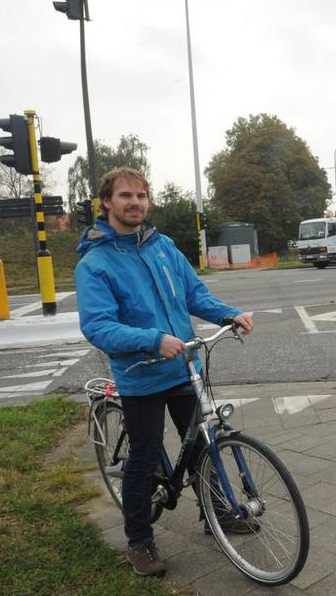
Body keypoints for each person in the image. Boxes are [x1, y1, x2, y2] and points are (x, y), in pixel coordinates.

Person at [75, 167, 254, 577]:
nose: (135, 202)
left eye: (141, 195)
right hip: (141, 373)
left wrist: (229, 314)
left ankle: (217, 513)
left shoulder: (163, 246)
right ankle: (139, 540)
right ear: (107, 202)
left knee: (202, 445)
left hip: (184, 366)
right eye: (125, 195)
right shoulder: (95, 263)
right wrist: (152, 339)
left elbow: (194, 294)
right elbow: (98, 326)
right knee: (144, 455)